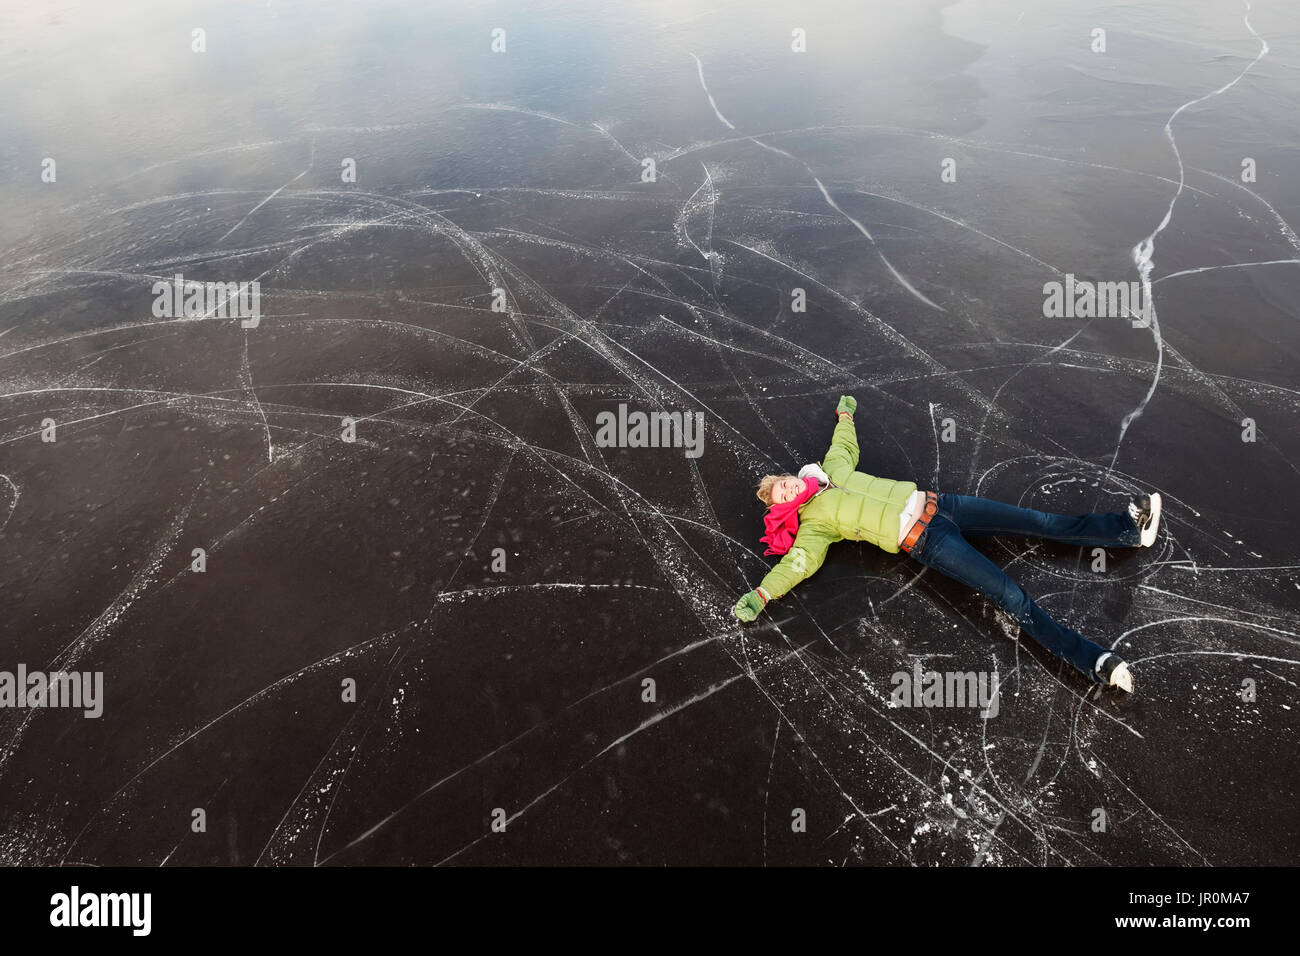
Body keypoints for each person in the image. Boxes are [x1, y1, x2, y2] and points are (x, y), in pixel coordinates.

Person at [732, 395, 1162, 693]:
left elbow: (843, 445)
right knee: (1009, 594)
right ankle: (1094, 661)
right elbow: (799, 563)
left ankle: (1125, 529)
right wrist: (763, 594)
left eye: (783, 483)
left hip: (945, 504)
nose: (787, 489)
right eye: (781, 496)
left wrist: (845, 415)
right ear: (785, 510)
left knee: (1037, 520)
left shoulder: (831, 470)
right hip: (927, 541)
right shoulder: (814, 524)